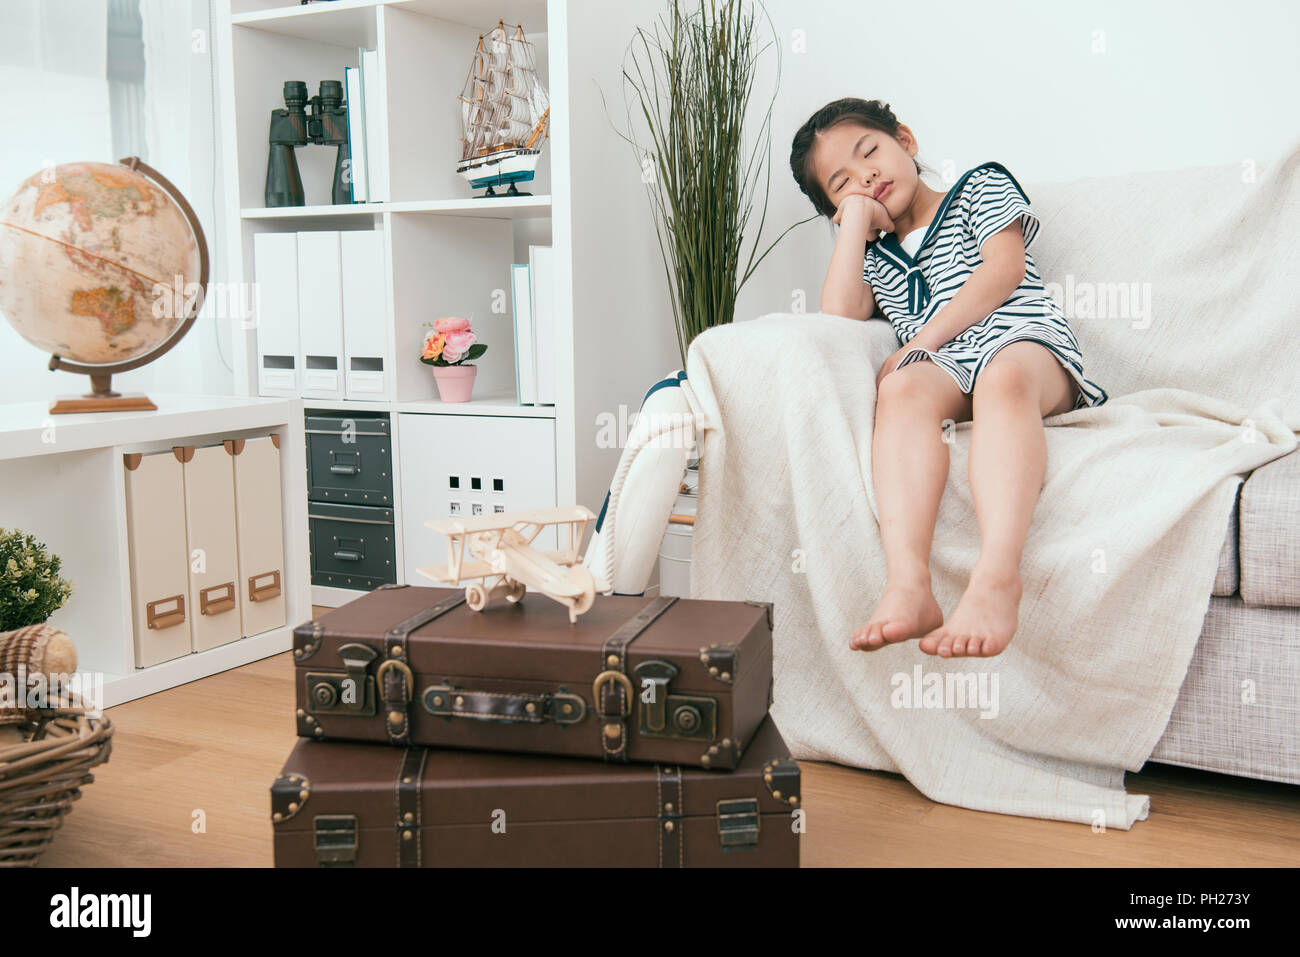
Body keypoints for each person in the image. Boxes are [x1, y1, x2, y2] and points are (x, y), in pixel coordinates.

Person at [789, 97, 1108, 658]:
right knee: (901, 387)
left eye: (871, 154)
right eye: (843, 184)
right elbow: (838, 318)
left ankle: (996, 578)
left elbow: (1003, 269)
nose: (866, 177)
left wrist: (920, 342)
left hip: (1026, 344)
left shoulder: (978, 188)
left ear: (905, 141)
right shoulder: (876, 254)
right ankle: (908, 585)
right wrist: (858, 223)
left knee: (1001, 379)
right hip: (949, 368)